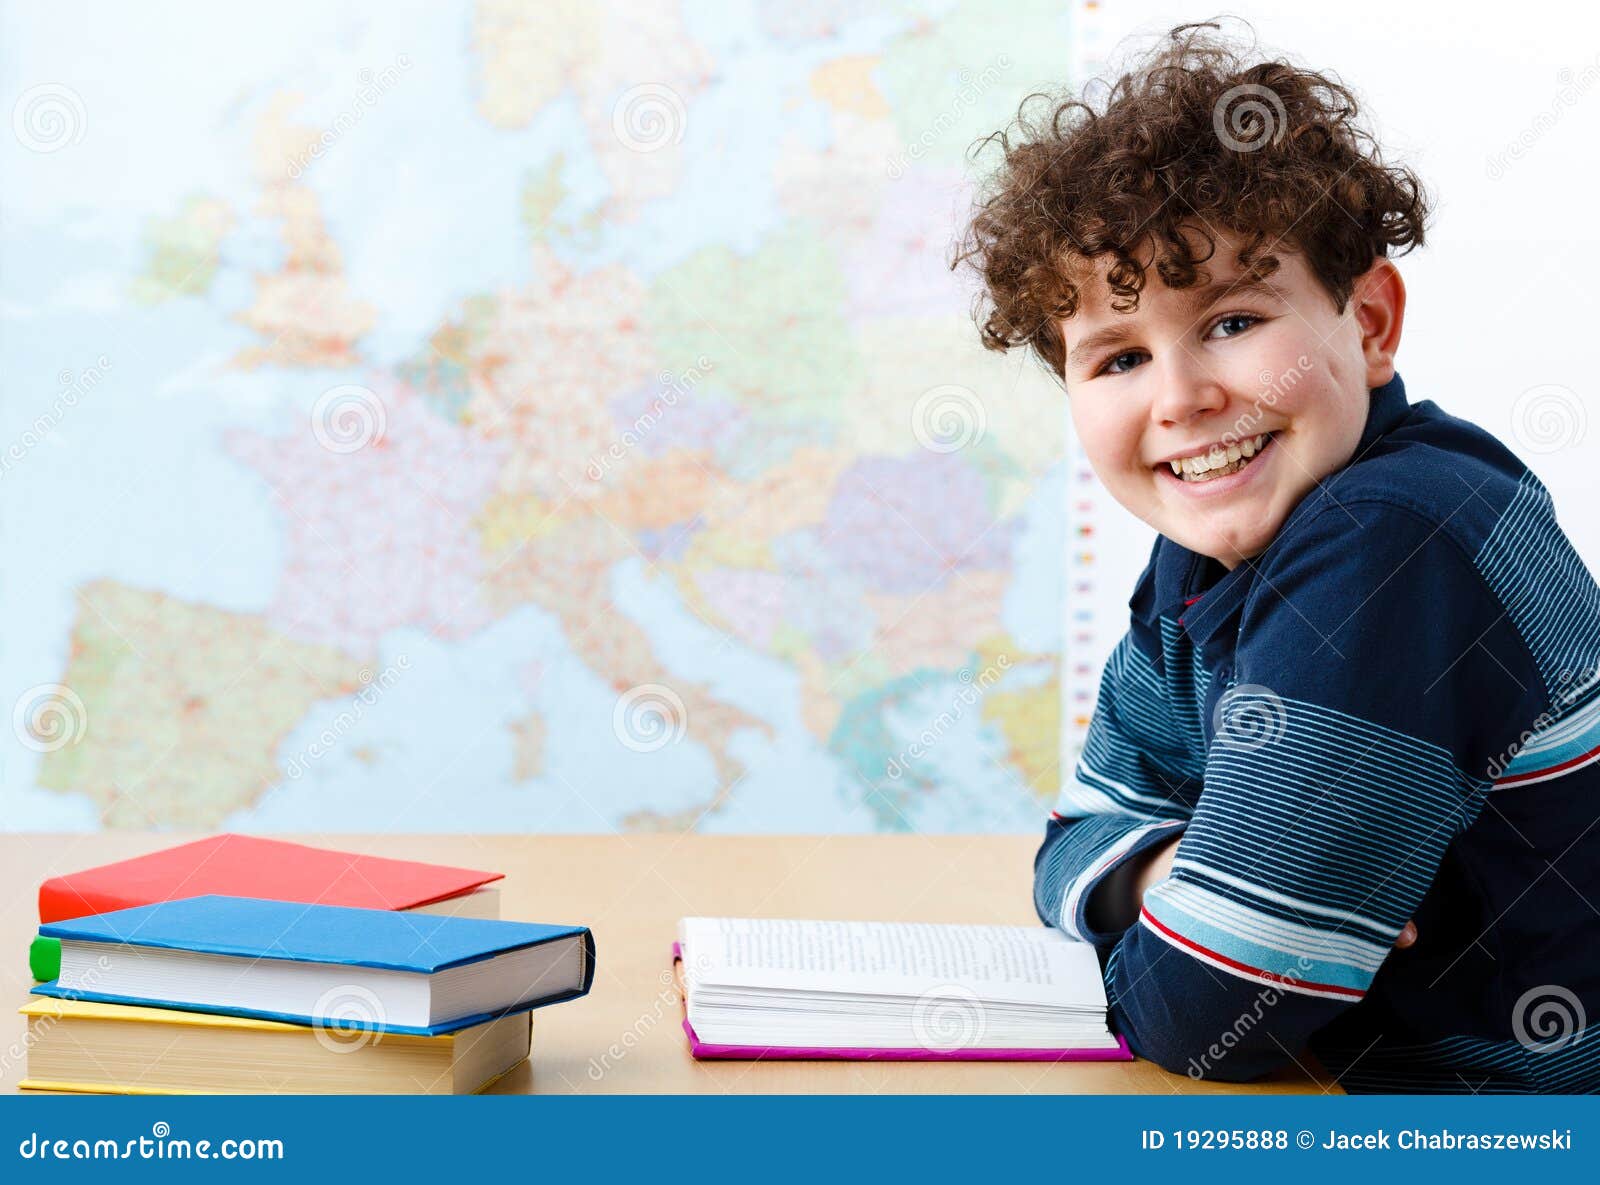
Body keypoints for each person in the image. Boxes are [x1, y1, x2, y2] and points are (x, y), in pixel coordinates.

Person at [953, 20, 1600, 1092]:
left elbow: (1213, 1010)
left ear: (1371, 322)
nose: (1179, 400)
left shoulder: (1396, 539)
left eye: (1232, 320)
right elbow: (1082, 831)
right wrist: (1178, 869)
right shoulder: (1204, 555)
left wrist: (1210, 899)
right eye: (1117, 355)